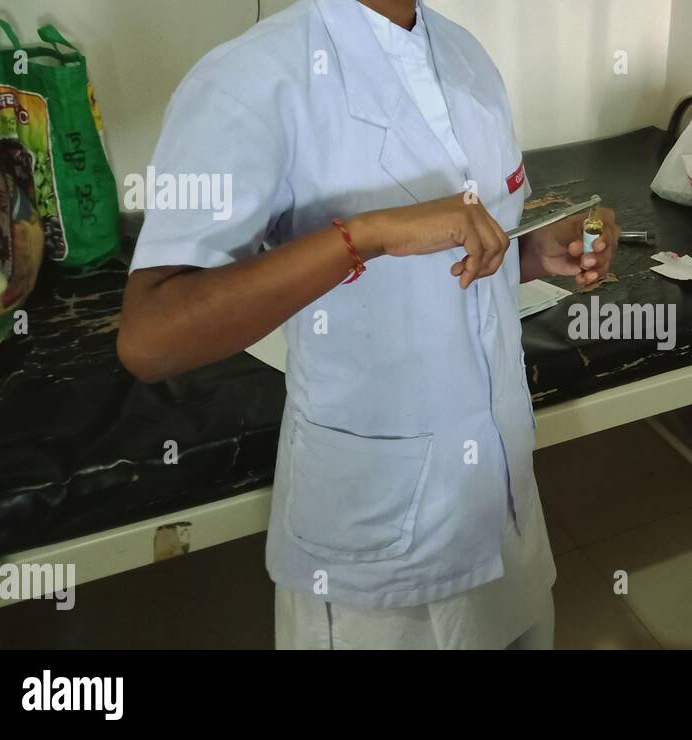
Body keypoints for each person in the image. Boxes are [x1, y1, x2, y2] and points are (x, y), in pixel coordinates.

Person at [117, 0, 620, 649]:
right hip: (379, 538)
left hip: (501, 498)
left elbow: (463, 253)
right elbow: (153, 336)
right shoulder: (251, 78)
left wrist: (533, 249)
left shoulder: (465, 56)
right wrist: (367, 234)